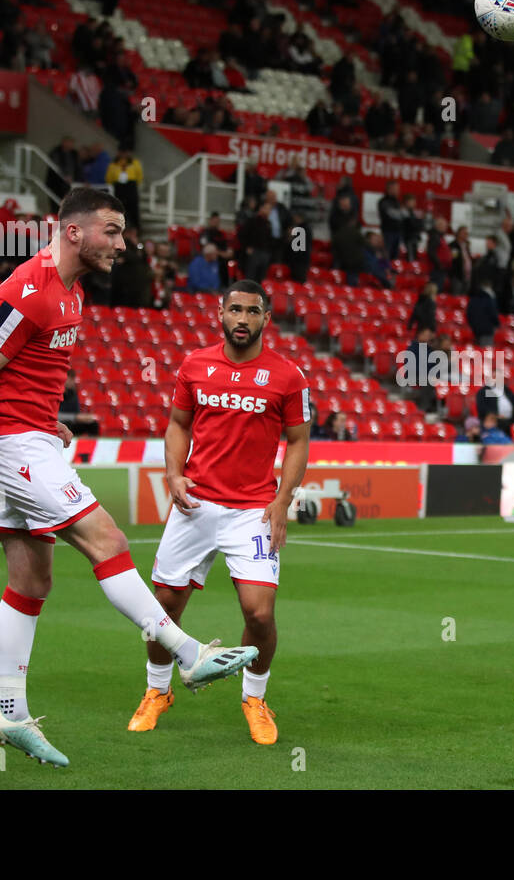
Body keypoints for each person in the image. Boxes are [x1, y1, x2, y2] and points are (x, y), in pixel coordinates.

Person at [0, 187, 258, 768]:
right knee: (108, 541)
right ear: (73, 232)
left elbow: (23, 373)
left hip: (32, 438)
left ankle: (10, 712)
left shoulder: (71, 293)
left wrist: (50, 422)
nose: (123, 243)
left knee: (31, 580)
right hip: (10, 446)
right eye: (112, 231)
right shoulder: (27, 290)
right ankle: (187, 654)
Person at [127, 281, 310, 745]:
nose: (243, 319)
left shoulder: (288, 376)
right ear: (220, 314)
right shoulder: (194, 365)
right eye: (235, 310)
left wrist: (281, 502)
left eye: (252, 311)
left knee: (260, 613)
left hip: (252, 510)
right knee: (162, 609)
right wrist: (173, 475)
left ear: (267, 318)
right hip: (195, 506)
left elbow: (299, 441)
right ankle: (156, 691)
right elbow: (178, 425)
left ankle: (254, 698)